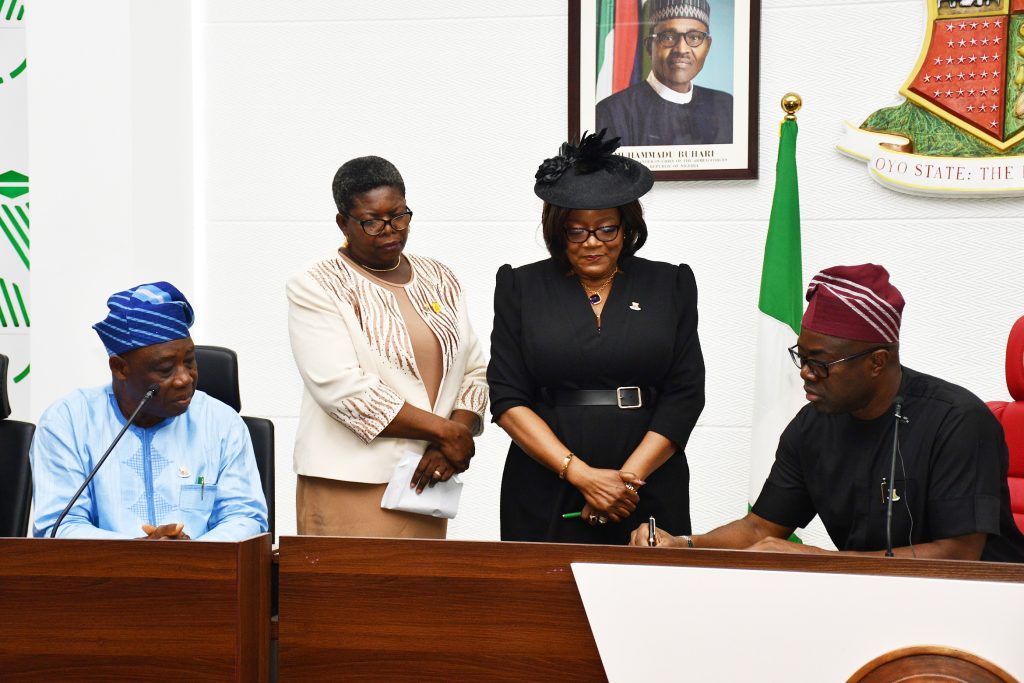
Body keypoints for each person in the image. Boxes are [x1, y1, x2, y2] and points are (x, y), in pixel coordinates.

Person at [631, 264, 1024, 562]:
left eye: (820, 362)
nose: (804, 372)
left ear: (876, 362)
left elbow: (958, 553)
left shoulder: (957, 421)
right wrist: (685, 544)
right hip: (861, 598)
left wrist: (823, 562)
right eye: (802, 357)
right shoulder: (811, 426)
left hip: (975, 608)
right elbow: (760, 527)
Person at [489, 129, 705, 544]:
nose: (593, 243)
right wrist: (582, 476)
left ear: (627, 228)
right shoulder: (520, 286)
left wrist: (625, 482)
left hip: (648, 481)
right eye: (576, 231)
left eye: (606, 229)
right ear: (557, 231)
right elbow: (506, 396)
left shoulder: (670, 283)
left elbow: (686, 392)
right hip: (546, 479)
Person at [286, 156, 487, 538]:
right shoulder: (315, 284)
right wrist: (445, 433)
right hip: (350, 483)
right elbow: (342, 389)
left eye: (399, 216)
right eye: (372, 221)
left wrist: (451, 441)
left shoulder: (439, 277)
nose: (390, 230)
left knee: (418, 597)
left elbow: (474, 370)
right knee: (349, 596)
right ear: (343, 223)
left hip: (428, 478)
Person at [31, 282, 269, 540]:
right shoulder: (68, 421)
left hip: (206, 575)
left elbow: (245, 517)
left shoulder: (220, 421)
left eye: (189, 362)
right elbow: (58, 527)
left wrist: (194, 554)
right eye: (165, 369)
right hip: (101, 576)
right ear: (120, 368)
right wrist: (140, 553)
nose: (184, 379)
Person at [596, 0, 733, 146]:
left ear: (707, 46)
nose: (681, 49)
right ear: (649, 46)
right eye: (668, 37)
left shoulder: (726, 106)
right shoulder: (611, 113)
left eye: (694, 37)